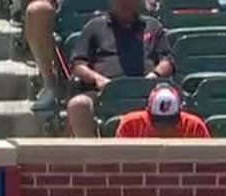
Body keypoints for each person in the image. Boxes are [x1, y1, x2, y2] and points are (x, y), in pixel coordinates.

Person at [66, 0, 172, 138]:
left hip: (146, 92)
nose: (124, 3)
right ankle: (92, 151)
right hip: (105, 92)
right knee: (78, 105)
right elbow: (78, 64)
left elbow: (167, 61)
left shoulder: (152, 26)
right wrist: (97, 79)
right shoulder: (95, 27)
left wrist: (154, 75)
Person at [113, 84, 209, 138]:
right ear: (147, 112)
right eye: (158, 121)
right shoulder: (130, 125)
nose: (164, 127)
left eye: (170, 121)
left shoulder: (194, 127)